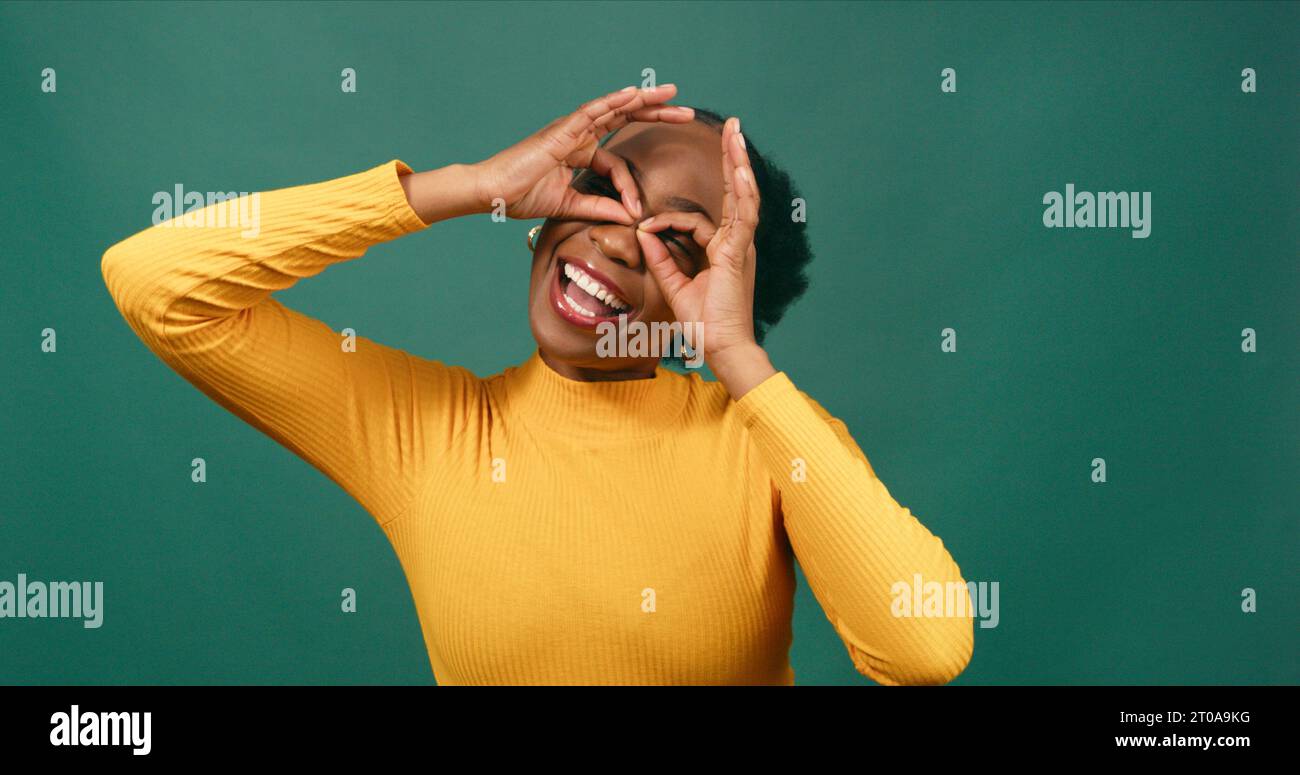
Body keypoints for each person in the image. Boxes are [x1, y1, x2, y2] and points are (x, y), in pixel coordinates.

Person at [101, 84, 974, 685]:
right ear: (545, 211)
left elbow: (925, 646)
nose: (622, 241)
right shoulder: (428, 432)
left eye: (678, 238)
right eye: (601, 191)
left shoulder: (768, 436)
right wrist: (463, 187)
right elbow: (157, 284)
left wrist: (735, 354)